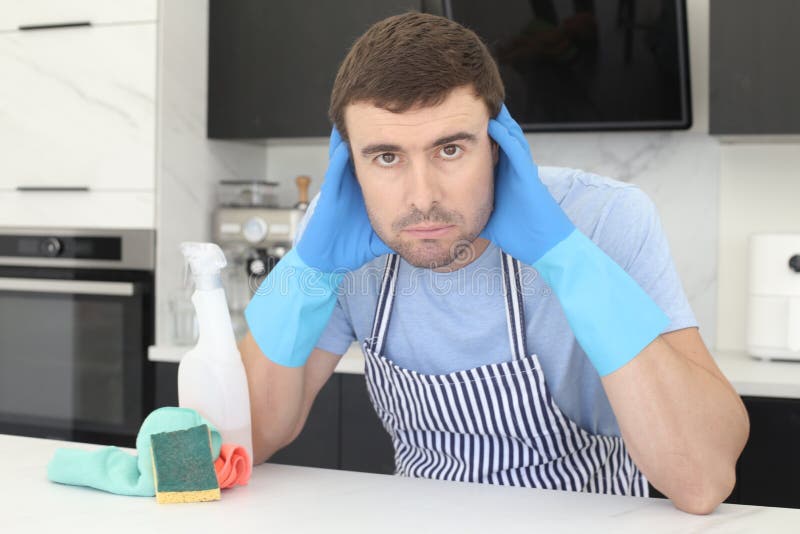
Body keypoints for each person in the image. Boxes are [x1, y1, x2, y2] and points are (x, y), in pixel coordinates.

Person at [240, 12, 749, 515]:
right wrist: (308, 270)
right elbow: (247, 439)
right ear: (351, 162)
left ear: (499, 145)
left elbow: (701, 480)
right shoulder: (341, 233)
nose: (422, 198)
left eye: (450, 148)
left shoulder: (603, 217)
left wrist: (565, 257)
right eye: (386, 157)